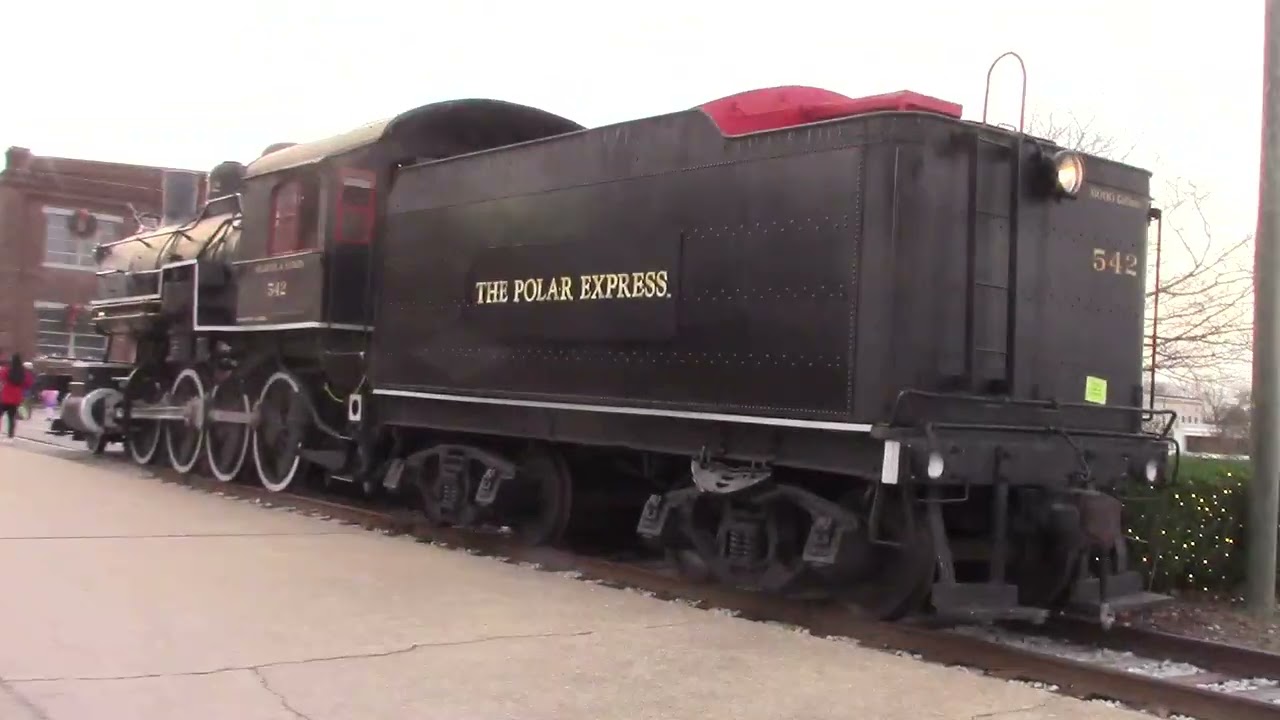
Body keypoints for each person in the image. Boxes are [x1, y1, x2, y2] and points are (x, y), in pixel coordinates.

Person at [0, 353, 35, 440]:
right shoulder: (24, 373)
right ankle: (10, 436)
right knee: (11, 418)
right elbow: (29, 384)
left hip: (5, 396)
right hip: (16, 397)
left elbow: (1, 378)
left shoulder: (6, 370)